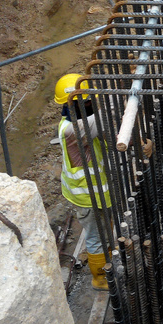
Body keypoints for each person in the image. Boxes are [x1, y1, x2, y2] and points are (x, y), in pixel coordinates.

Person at [55, 73, 111, 290]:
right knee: (96, 237)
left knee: (103, 229)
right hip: (87, 196)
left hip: (93, 193)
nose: (91, 103)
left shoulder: (70, 122)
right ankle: (100, 278)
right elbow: (106, 120)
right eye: (87, 100)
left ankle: (106, 262)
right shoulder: (74, 128)